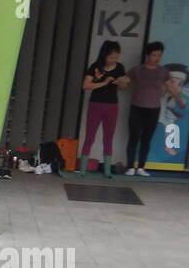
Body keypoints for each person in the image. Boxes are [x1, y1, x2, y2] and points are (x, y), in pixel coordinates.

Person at [125, 41, 181, 176]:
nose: (157, 58)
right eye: (154, 55)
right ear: (147, 55)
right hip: (137, 107)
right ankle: (130, 166)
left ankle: (142, 167)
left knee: (146, 138)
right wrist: (119, 81)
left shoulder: (163, 72)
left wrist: (180, 100)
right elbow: (125, 82)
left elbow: (171, 88)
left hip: (153, 108)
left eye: (159, 55)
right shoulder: (137, 70)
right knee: (134, 136)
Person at [76, 41, 128, 178]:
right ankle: (82, 170)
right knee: (90, 137)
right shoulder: (96, 67)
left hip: (112, 106)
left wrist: (120, 82)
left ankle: (107, 171)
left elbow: (124, 86)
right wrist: (104, 82)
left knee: (108, 138)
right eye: (111, 57)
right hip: (95, 104)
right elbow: (86, 85)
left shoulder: (120, 68)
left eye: (116, 57)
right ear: (104, 55)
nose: (114, 60)